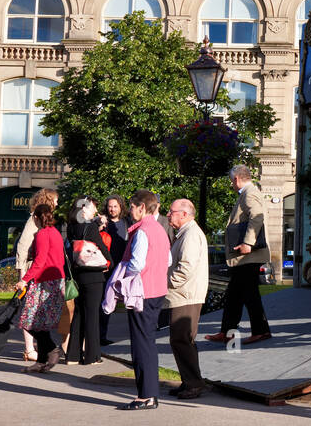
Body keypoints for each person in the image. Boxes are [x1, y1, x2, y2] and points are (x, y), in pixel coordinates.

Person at [116, 189, 170, 410]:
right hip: (157, 290)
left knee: (141, 344)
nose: (129, 210)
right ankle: (149, 394)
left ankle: (146, 395)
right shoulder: (159, 229)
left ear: (141, 207)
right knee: (147, 341)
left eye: (131, 206)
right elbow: (168, 260)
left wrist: (122, 273)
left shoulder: (142, 231)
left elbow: (137, 264)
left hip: (143, 291)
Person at [206, 165, 271, 345]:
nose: (231, 185)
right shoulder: (247, 193)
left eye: (231, 182)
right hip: (244, 257)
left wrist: (248, 242)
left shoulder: (250, 193)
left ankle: (260, 331)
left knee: (249, 295)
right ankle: (228, 332)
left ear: (236, 179)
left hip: (247, 255)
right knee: (235, 295)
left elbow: (257, 217)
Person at [166, 198, 209, 400]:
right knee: (182, 339)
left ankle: (193, 384)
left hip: (186, 295)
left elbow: (186, 268)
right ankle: (189, 381)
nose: (168, 215)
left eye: (171, 211)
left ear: (184, 214)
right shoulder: (185, 233)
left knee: (182, 339)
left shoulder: (191, 234)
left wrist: (166, 282)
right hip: (184, 294)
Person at [19, 203, 66, 373]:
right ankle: (41, 360)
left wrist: (24, 280)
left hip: (45, 282)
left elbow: (39, 261)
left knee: (29, 321)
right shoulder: (55, 233)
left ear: (37, 218)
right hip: (56, 281)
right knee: (40, 323)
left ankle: (53, 349)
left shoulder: (42, 234)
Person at [65, 197, 110, 366]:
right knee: (92, 316)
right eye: (92, 208)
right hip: (93, 275)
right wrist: (110, 263)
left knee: (78, 314)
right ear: (83, 208)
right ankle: (92, 356)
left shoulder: (72, 226)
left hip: (78, 274)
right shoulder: (90, 227)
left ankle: (73, 355)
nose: (95, 211)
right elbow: (102, 249)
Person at [16, 188, 59, 362]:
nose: (57, 203)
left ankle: (39, 348)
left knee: (37, 311)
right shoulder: (34, 220)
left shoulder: (45, 224)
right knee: (30, 310)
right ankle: (29, 349)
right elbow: (22, 246)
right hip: (31, 271)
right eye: (55, 200)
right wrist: (22, 275)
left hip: (39, 271)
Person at [99, 194, 129, 345]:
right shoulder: (103, 223)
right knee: (104, 301)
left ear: (121, 207)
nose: (112, 209)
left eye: (115, 206)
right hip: (105, 268)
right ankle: (100, 335)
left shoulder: (126, 223)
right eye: (110, 206)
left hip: (121, 268)